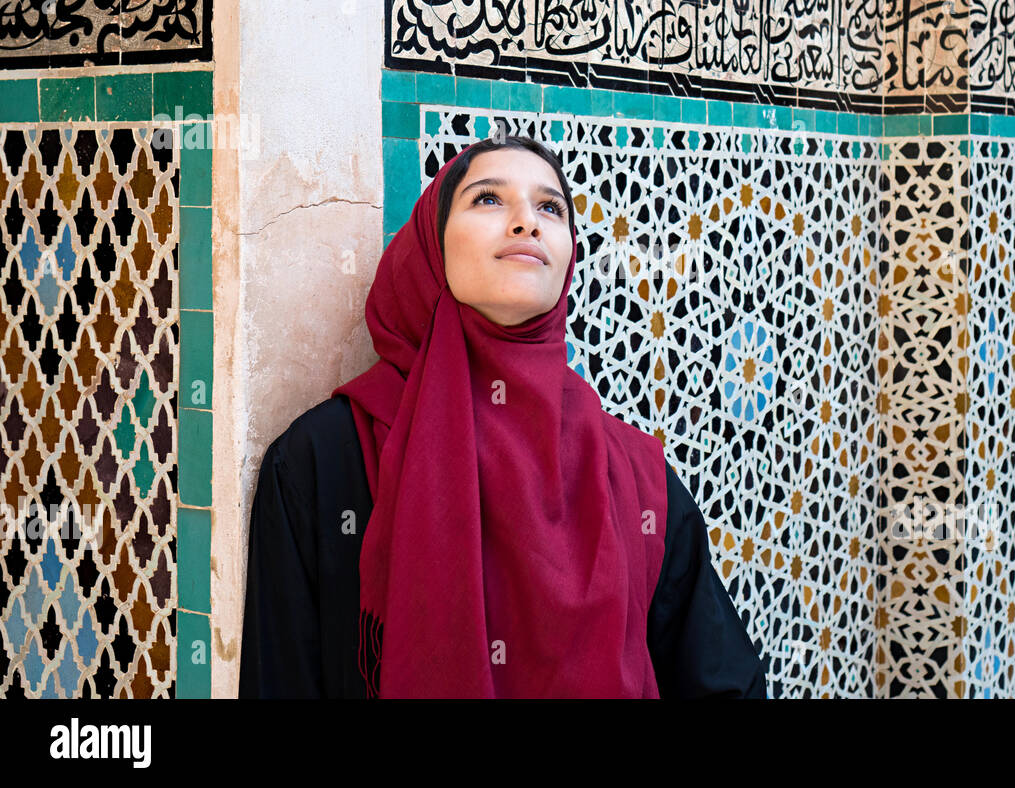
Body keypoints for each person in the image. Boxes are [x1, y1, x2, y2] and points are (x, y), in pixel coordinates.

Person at [239, 134, 767, 698]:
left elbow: (723, 683)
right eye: (488, 199)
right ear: (430, 245)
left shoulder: (635, 476)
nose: (526, 223)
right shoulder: (324, 461)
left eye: (550, 208)